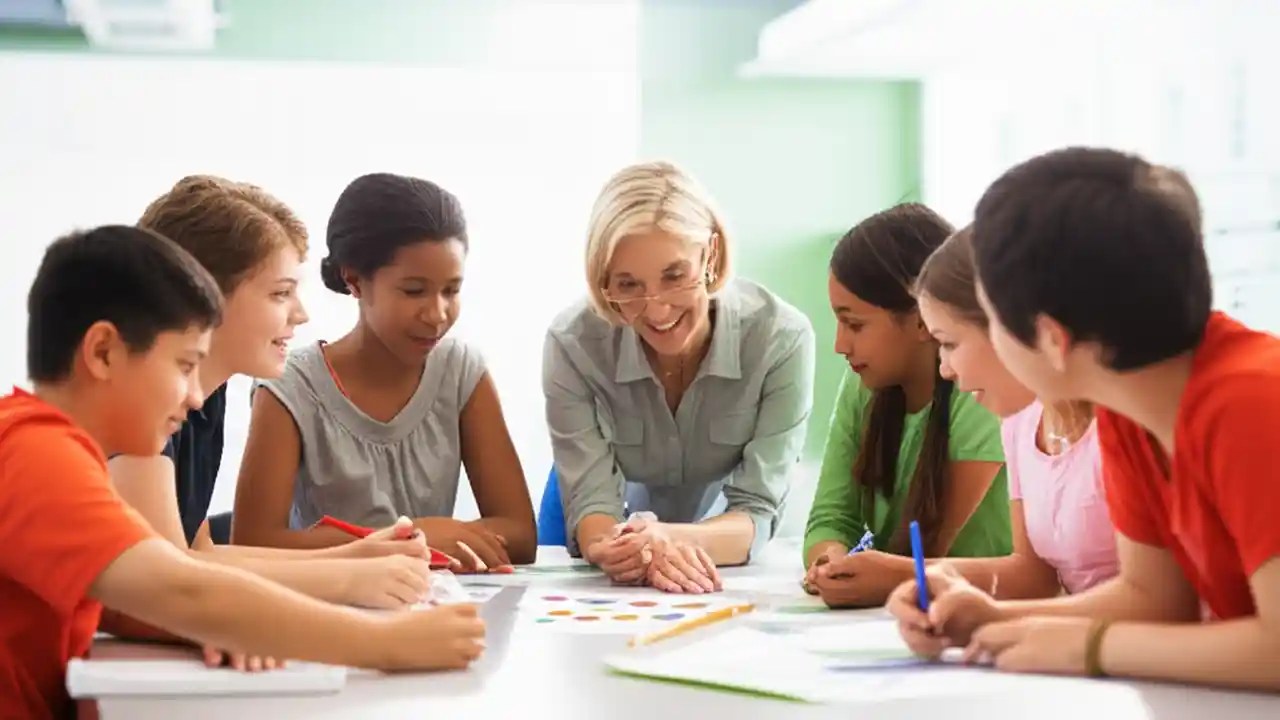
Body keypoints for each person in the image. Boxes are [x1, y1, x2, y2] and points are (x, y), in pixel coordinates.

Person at [0, 226, 485, 719]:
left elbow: (145, 594)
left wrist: (230, 625)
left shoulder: (47, 450)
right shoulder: (35, 452)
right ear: (103, 353)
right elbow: (181, 589)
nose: (195, 396)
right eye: (184, 366)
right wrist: (390, 643)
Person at [888, 147, 1280, 692]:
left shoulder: (1253, 402)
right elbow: (1153, 599)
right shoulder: (1127, 407)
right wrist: (994, 619)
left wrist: (1089, 646)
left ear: (1053, 338)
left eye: (992, 318)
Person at [108, 177, 429, 624]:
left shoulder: (206, 396)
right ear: (200, 298)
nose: (301, 314)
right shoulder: (139, 397)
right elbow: (160, 591)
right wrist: (347, 581)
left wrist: (355, 557)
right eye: (280, 293)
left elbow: (197, 554)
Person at [233, 173, 536, 571]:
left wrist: (408, 541)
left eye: (451, 290)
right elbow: (252, 545)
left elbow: (520, 534)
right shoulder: (290, 386)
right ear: (354, 280)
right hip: (328, 602)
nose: (437, 314)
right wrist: (411, 539)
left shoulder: (461, 371)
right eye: (414, 291)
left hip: (432, 601)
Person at [543, 160, 815, 593]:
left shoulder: (780, 338)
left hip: (712, 532)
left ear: (710, 255)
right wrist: (610, 547)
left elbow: (757, 508)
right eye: (628, 285)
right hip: (602, 515)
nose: (656, 309)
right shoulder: (572, 343)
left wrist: (666, 540)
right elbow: (593, 503)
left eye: (674, 276)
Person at [817, 225, 1115, 606]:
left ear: (1009, 329)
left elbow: (1151, 599)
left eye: (949, 343)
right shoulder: (1020, 425)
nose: (944, 369)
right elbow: (1034, 576)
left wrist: (998, 623)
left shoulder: (1116, 432)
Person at [803, 204, 1010, 608]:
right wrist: (830, 560)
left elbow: (926, 547)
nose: (840, 345)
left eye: (855, 324)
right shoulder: (863, 383)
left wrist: (872, 574)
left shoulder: (976, 388)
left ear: (921, 319)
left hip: (980, 604)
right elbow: (831, 517)